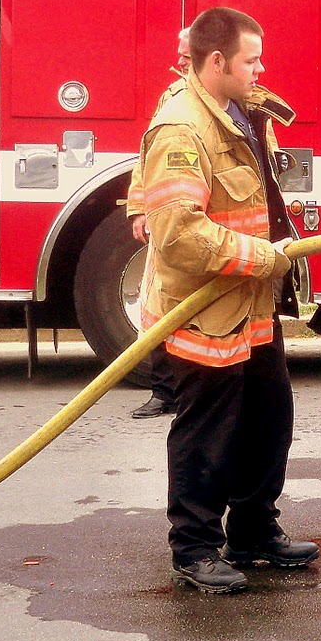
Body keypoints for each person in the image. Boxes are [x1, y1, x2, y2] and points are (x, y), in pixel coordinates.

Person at [138, 7, 318, 593]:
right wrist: (264, 256)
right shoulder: (182, 130)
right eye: (251, 60)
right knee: (208, 428)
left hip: (252, 303)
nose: (261, 69)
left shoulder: (243, 111)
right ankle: (193, 548)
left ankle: (253, 531)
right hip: (205, 308)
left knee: (268, 418)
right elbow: (179, 234)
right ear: (216, 62)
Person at [127, 28, 192, 419]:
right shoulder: (172, 97)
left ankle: (198, 393)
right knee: (159, 306)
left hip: (212, 229)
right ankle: (164, 390)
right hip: (169, 225)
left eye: (185, 53)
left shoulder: (244, 102)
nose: (179, 60)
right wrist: (139, 207)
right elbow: (146, 154)